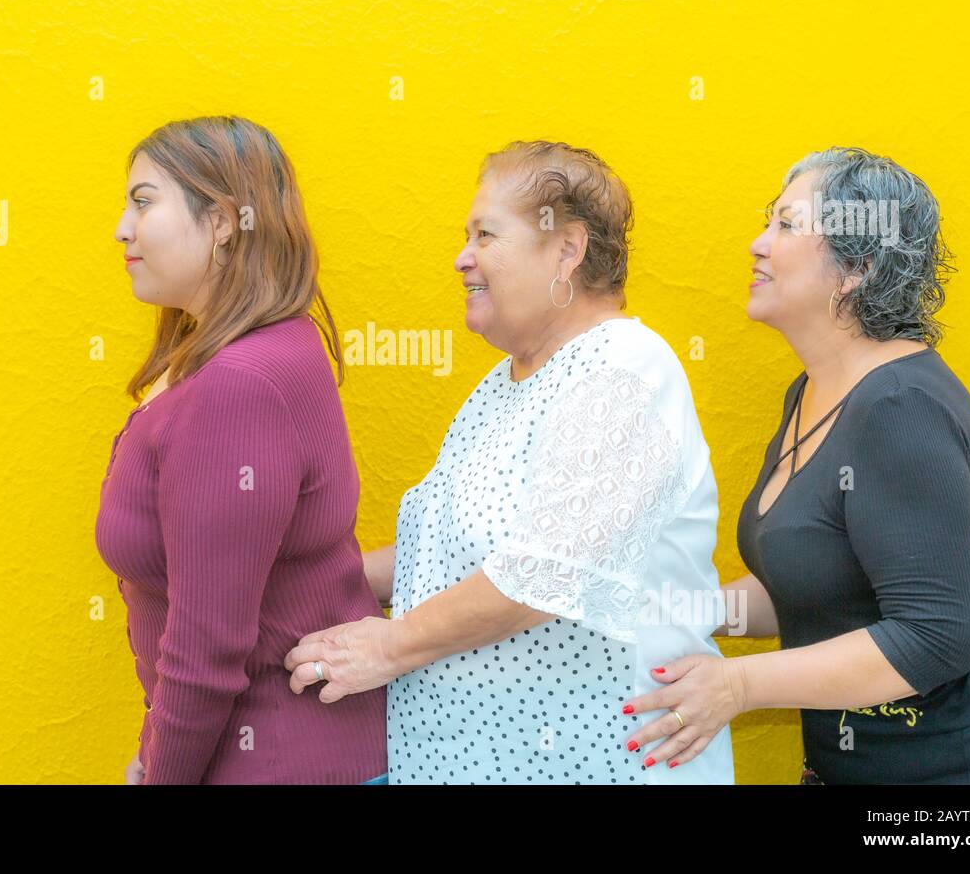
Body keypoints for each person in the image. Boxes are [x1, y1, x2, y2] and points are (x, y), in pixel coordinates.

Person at [283, 140, 734, 783]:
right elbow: (438, 559)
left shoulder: (624, 371)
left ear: (566, 250)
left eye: (486, 235)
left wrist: (389, 645)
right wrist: (303, 579)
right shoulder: (500, 386)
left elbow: (545, 570)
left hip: (594, 765)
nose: (462, 258)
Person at [621, 146, 970, 783]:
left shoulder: (899, 407)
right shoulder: (814, 392)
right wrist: (676, 610)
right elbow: (816, 588)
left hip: (969, 772)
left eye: (786, 225)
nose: (757, 245)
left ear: (857, 268)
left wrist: (737, 685)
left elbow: (935, 636)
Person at [95, 115, 387, 784]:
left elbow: (206, 648)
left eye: (143, 201)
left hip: (278, 761)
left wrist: (164, 774)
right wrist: (156, 745)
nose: (121, 228)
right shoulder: (273, 344)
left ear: (224, 221)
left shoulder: (237, 385)